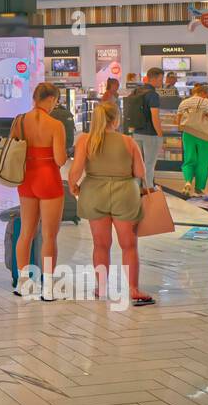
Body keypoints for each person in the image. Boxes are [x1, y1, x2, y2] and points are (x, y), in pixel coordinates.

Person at [69, 102, 155, 307]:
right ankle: (133, 289)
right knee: (128, 245)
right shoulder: (128, 141)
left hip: (93, 193)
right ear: (116, 119)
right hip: (124, 194)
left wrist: (74, 186)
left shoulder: (85, 140)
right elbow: (140, 173)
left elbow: (75, 171)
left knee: (100, 244)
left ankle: (101, 287)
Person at [14, 83, 68, 298]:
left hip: (26, 178)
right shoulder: (55, 125)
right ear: (52, 99)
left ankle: (23, 283)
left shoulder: (19, 121)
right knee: (49, 236)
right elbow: (60, 159)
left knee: (25, 233)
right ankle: (47, 287)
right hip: (48, 179)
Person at [177, 82, 208, 197]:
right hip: (203, 135)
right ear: (203, 93)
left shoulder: (184, 102)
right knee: (203, 161)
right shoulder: (205, 101)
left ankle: (188, 181)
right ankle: (198, 189)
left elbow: (178, 118)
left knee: (189, 159)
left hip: (188, 133)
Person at [129, 68, 165, 188]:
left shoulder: (137, 91)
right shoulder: (153, 95)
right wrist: (160, 135)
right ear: (153, 79)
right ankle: (148, 190)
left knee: (136, 164)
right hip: (150, 135)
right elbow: (155, 117)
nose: (162, 82)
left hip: (137, 133)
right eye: (160, 79)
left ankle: (136, 190)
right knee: (149, 165)